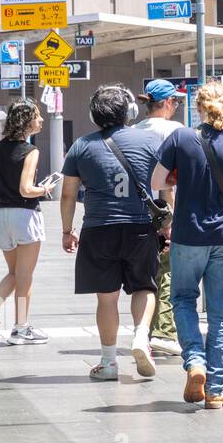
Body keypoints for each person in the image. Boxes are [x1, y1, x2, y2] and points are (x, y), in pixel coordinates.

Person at [151, 82, 223, 410]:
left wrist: (178, 180)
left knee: (183, 299)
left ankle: (194, 362)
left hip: (187, 235)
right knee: (219, 312)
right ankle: (215, 389)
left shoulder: (181, 138)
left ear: (196, 107)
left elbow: (156, 181)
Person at [61, 86, 166, 381]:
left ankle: (108, 362)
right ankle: (141, 336)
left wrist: (67, 230)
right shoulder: (149, 141)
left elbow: (68, 194)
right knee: (144, 287)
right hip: (140, 227)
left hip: (98, 229)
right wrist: (168, 223)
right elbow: (165, 185)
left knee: (106, 299)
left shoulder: (81, 146)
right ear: (129, 112)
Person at [0, 99, 52, 345]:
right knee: (25, 276)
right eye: (37, 116)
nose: (41, 120)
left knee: (13, 273)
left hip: (2, 215)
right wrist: (44, 189)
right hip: (25, 215)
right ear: (27, 122)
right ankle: (21, 328)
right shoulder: (31, 151)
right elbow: (26, 189)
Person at [131, 79, 185, 358]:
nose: (176, 105)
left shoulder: (132, 131)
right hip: (164, 210)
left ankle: (145, 332)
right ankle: (165, 332)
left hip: (138, 213)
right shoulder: (175, 131)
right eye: (174, 101)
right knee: (168, 273)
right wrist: (172, 220)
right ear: (165, 103)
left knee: (146, 277)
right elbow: (170, 183)